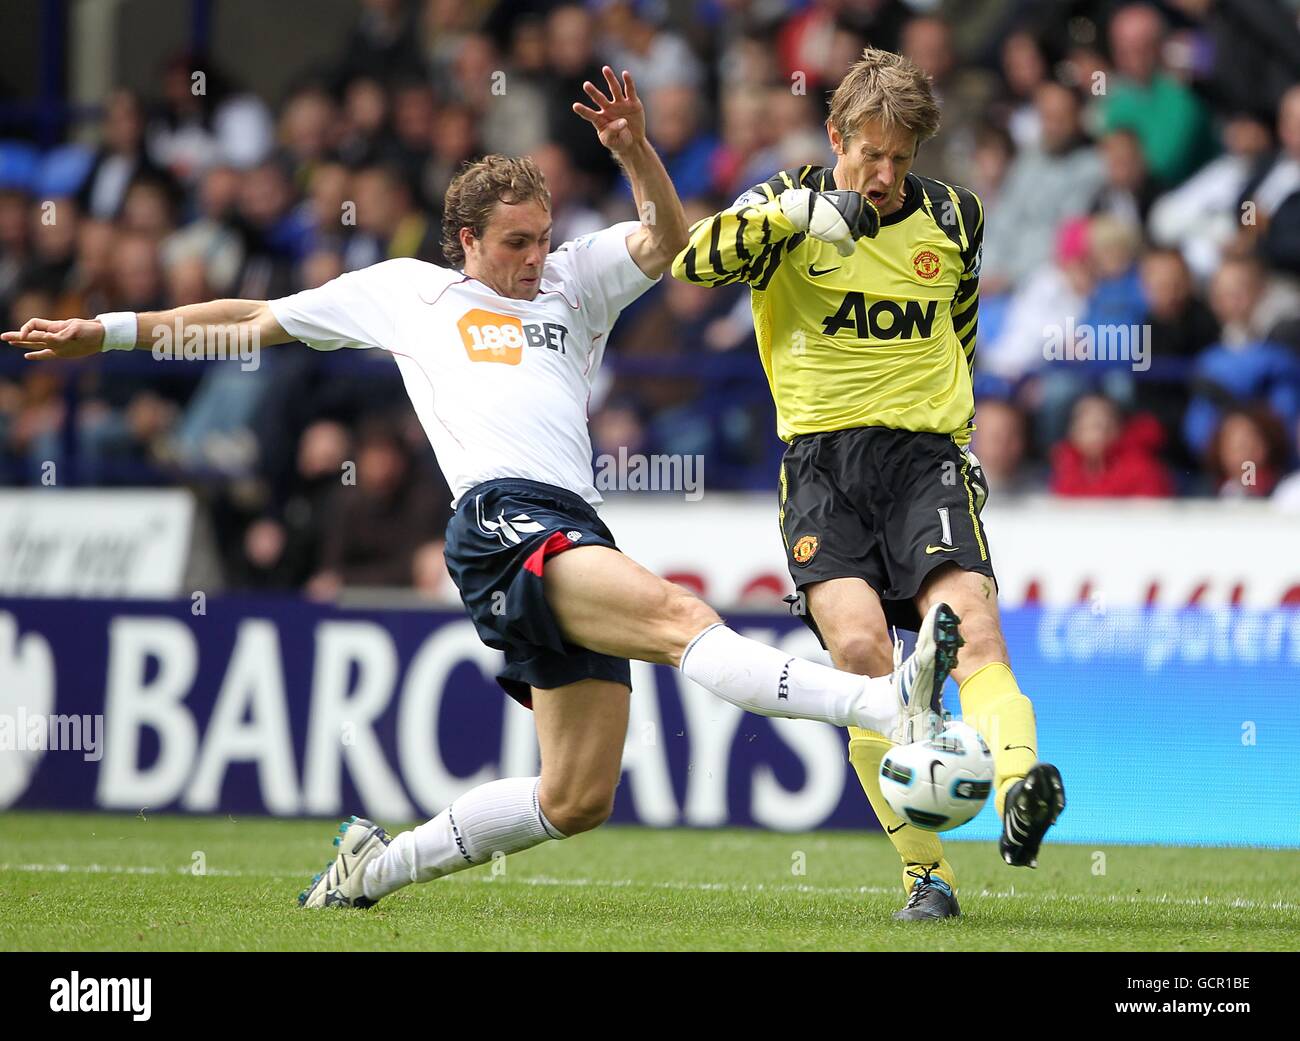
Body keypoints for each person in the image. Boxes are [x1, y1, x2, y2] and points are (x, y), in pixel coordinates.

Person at [4, 68, 957, 911]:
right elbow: (253, 318)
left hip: (570, 524)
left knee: (574, 798)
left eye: (543, 239)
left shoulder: (574, 282)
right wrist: (109, 332)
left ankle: (371, 869)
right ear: (465, 241)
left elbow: (673, 246)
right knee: (678, 616)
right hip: (500, 520)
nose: (535, 259)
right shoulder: (407, 293)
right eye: (514, 244)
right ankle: (887, 707)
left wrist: (634, 153)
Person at [674, 47, 1066, 921]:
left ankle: (1018, 788)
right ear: (835, 138)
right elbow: (691, 264)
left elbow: (957, 328)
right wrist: (811, 214)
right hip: (820, 466)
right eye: (868, 154)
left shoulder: (956, 216)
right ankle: (925, 877)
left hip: (924, 460)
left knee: (974, 637)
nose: (884, 175)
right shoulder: (782, 202)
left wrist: (959, 433)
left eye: (900, 158)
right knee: (860, 656)